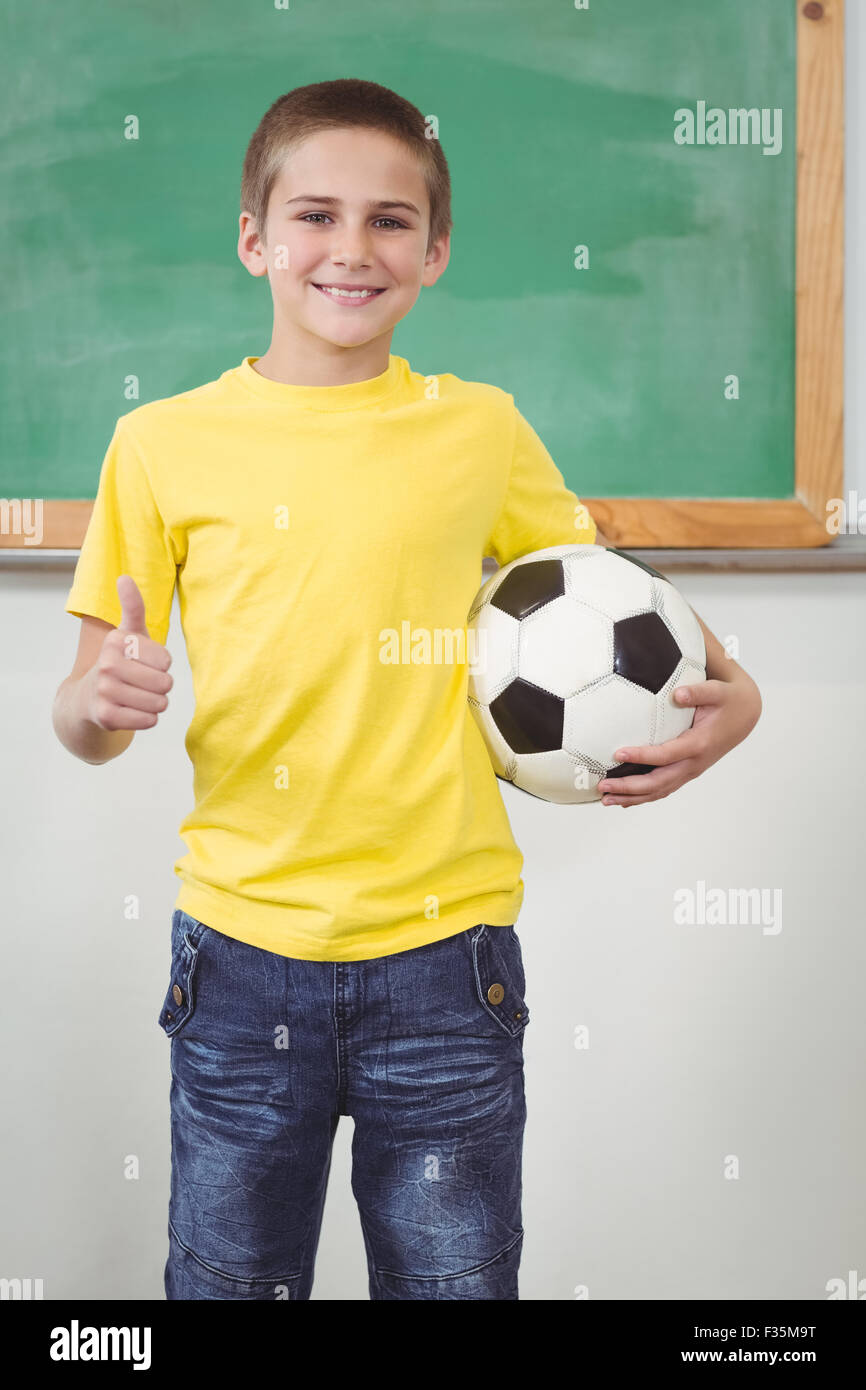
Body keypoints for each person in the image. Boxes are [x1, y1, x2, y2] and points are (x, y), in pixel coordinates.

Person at [52, 78, 762, 1300]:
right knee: (223, 1283)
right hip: (237, 951)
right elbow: (81, 721)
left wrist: (735, 701)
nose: (350, 248)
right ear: (253, 239)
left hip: (446, 962)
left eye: (390, 221)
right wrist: (100, 703)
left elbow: (600, 592)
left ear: (433, 253)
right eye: (314, 215)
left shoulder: (476, 429)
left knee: (454, 1285)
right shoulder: (161, 444)